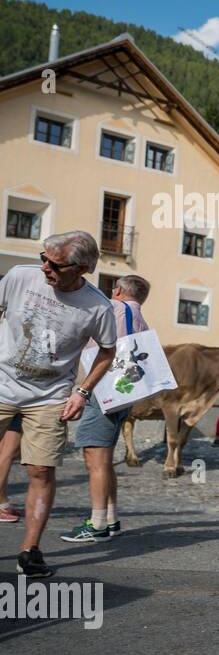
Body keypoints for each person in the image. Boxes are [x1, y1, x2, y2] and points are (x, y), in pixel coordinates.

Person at [0, 231, 116, 577]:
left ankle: (30, 552)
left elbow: (107, 351)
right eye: (44, 258)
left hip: (50, 396)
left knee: (40, 470)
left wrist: (82, 391)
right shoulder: (20, 276)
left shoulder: (98, 306)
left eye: (55, 264)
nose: (45, 268)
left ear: (81, 268)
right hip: (1, 383)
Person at [60, 275, 151, 543]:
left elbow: (103, 348)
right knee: (106, 457)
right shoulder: (140, 317)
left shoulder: (113, 308)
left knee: (95, 457)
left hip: (103, 391)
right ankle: (111, 519)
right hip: (124, 395)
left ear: (118, 290)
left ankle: (97, 523)